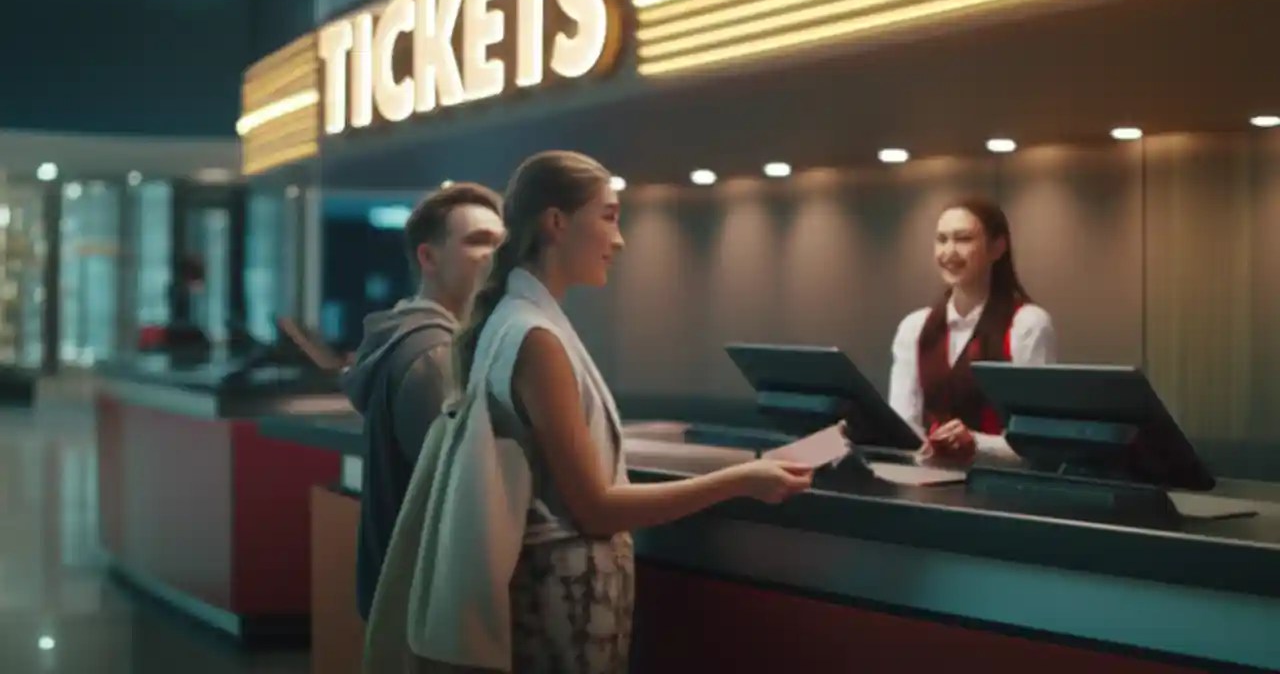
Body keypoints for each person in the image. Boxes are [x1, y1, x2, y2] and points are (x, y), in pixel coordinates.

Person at [435, 150, 813, 672]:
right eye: (610, 216)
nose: (620, 239)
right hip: (563, 603)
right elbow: (595, 508)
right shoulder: (535, 337)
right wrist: (741, 479)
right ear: (556, 222)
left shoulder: (516, 320)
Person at [342, 183, 506, 622]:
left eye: (500, 242)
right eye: (477, 241)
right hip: (427, 607)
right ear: (428, 258)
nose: (494, 254)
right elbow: (459, 495)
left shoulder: (411, 335)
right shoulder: (435, 355)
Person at [888, 196, 1056, 466]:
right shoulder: (914, 327)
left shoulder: (1028, 325)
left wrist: (978, 443)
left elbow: (1037, 438)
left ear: (997, 248)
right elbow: (903, 425)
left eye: (963, 239)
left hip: (1000, 490)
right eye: (941, 239)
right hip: (924, 482)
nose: (949, 252)